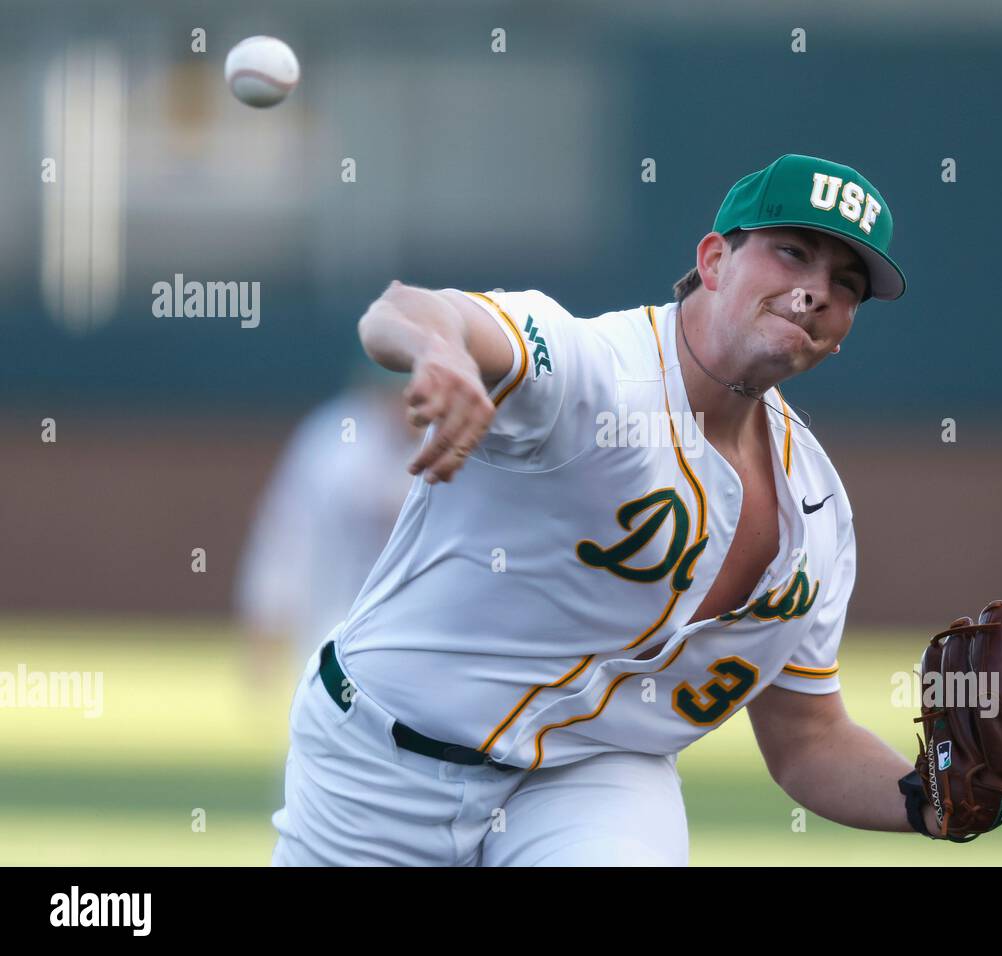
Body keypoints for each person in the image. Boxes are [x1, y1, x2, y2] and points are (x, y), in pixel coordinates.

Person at [270, 153, 939, 866]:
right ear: (713, 260)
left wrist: (937, 799)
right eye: (792, 253)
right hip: (378, 758)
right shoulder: (593, 370)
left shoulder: (818, 513)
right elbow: (405, 308)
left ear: (844, 328)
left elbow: (808, 742)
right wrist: (444, 353)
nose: (814, 291)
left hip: (595, 776)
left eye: (846, 284)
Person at [233, 367, 420, 687]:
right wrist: (265, 628)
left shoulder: (465, 440)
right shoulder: (331, 445)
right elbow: (285, 538)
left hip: (424, 646)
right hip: (333, 638)